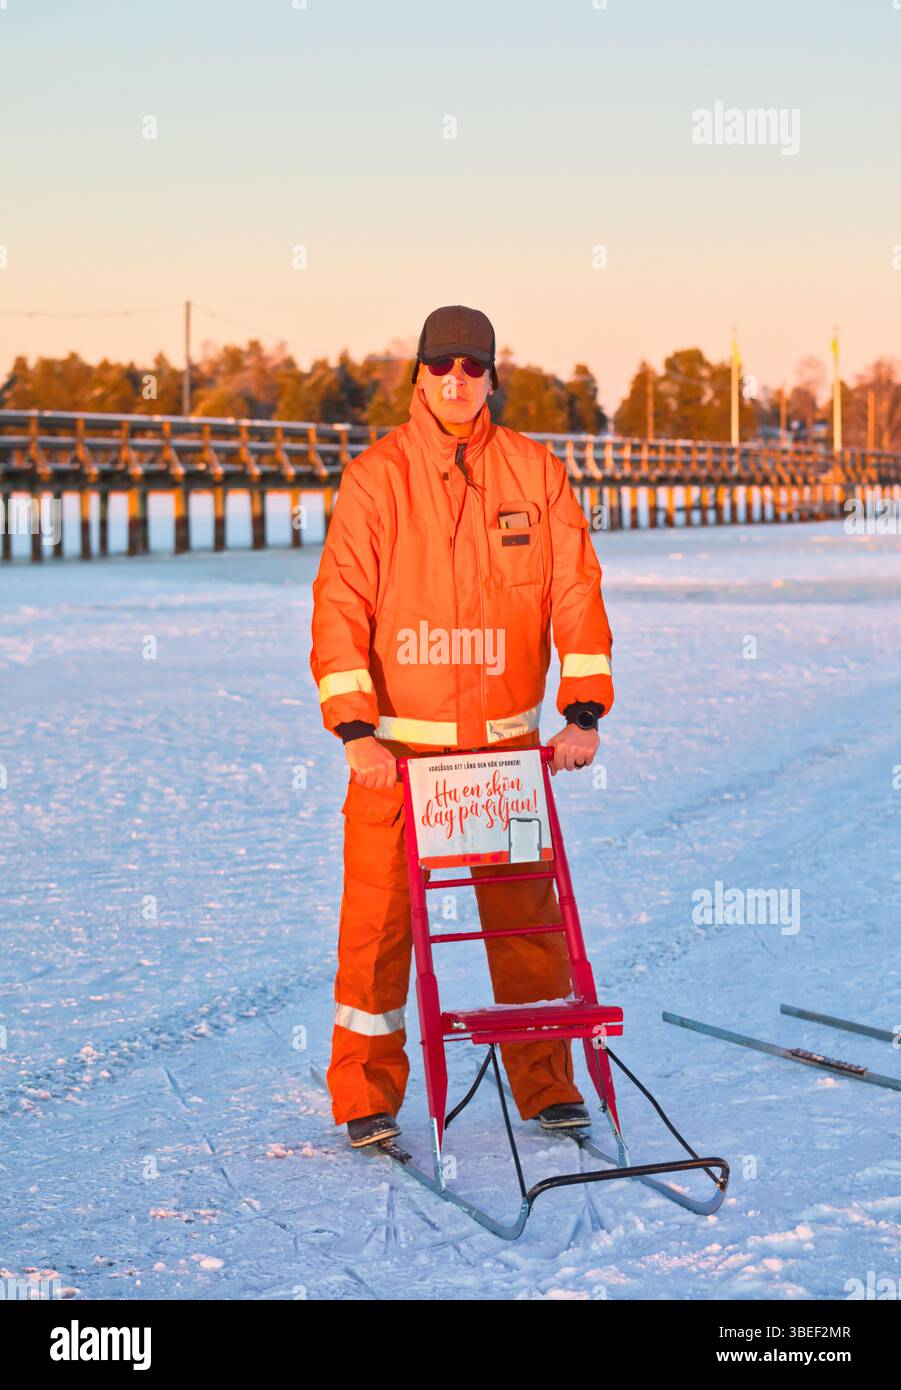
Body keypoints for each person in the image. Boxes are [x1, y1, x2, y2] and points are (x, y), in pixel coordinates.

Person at [310, 305, 614, 1147]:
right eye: (439, 364)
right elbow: (341, 607)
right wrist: (354, 729)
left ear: (490, 376)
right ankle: (365, 1096)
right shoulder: (376, 478)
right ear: (418, 373)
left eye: (471, 366)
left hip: (506, 753)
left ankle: (546, 1084)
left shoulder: (534, 473)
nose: (455, 379)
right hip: (398, 755)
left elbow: (574, 593)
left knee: (527, 928)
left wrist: (580, 710)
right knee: (375, 932)